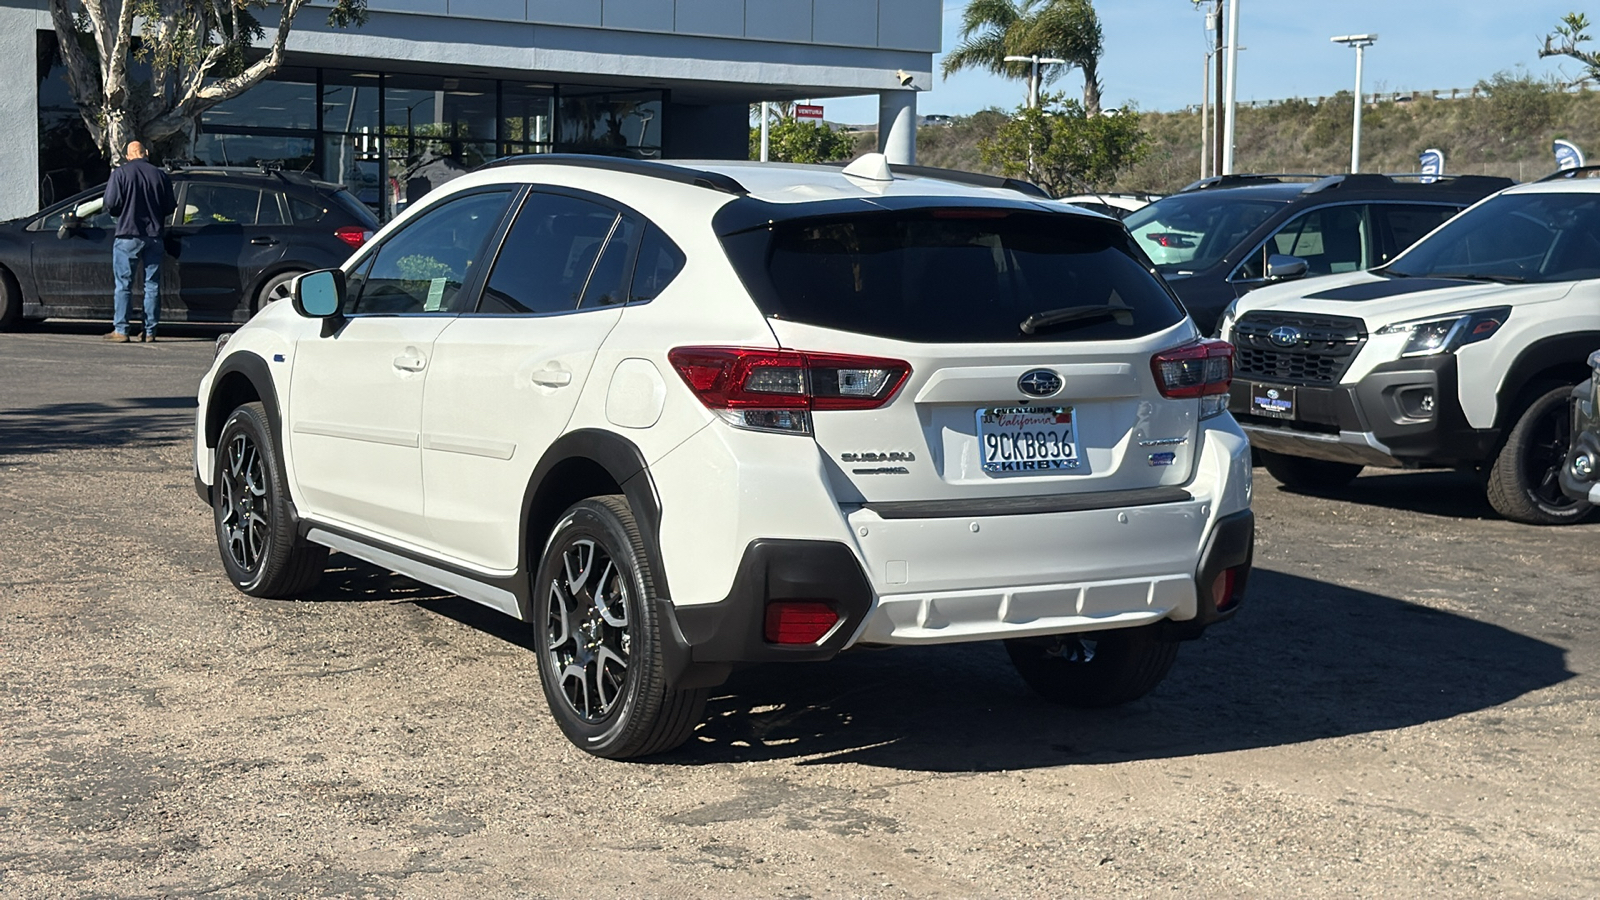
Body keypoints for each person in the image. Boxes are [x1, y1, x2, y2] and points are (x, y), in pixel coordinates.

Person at [102, 140, 175, 343]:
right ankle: (150, 331)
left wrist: (122, 211)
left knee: (124, 284)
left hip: (127, 234)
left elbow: (111, 203)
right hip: (154, 235)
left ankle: (121, 330)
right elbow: (170, 206)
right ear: (146, 153)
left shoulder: (120, 174)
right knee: (151, 284)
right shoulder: (160, 175)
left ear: (127, 156)